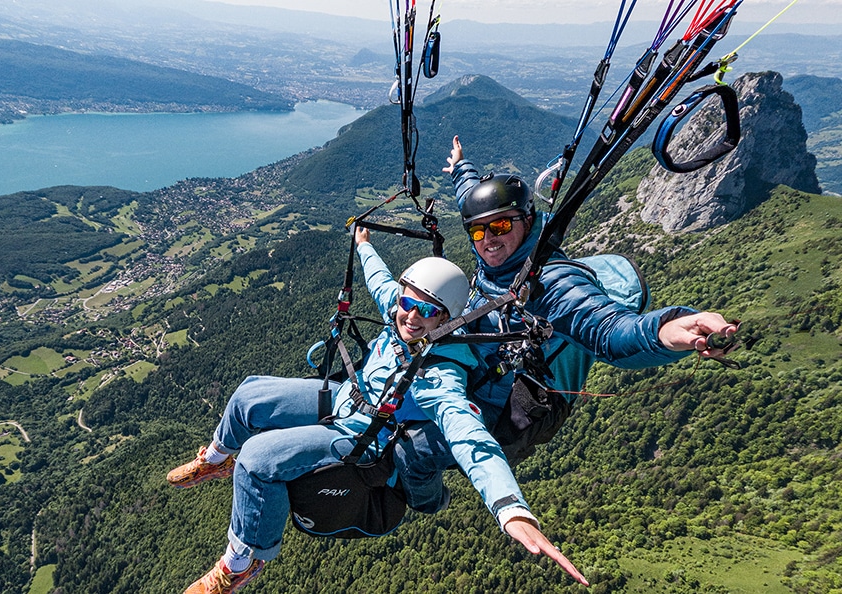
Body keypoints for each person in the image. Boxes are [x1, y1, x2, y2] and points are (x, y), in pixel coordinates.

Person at [168, 228, 590, 593]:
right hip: (346, 397)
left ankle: (241, 563)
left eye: (427, 311)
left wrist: (510, 507)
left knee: (258, 460)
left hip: (364, 437)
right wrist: (364, 243)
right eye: (409, 302)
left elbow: (467, 433)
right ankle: (215, 459)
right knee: (249, 394)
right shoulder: (400, 309)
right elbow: (380, 281)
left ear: (447, 319)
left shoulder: (440, 372)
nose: (411, 315)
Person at [388, 135, 741, 507]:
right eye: (478, 231)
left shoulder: (554, 284)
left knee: (411, 453)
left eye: (501, 227)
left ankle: (430, 502)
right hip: (482, 365)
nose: (488, 239)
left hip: (515, 400)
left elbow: (611, 333)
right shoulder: (500, 256)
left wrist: (670, 328)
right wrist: (461, 166)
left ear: (527, 220)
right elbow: (472, 199)